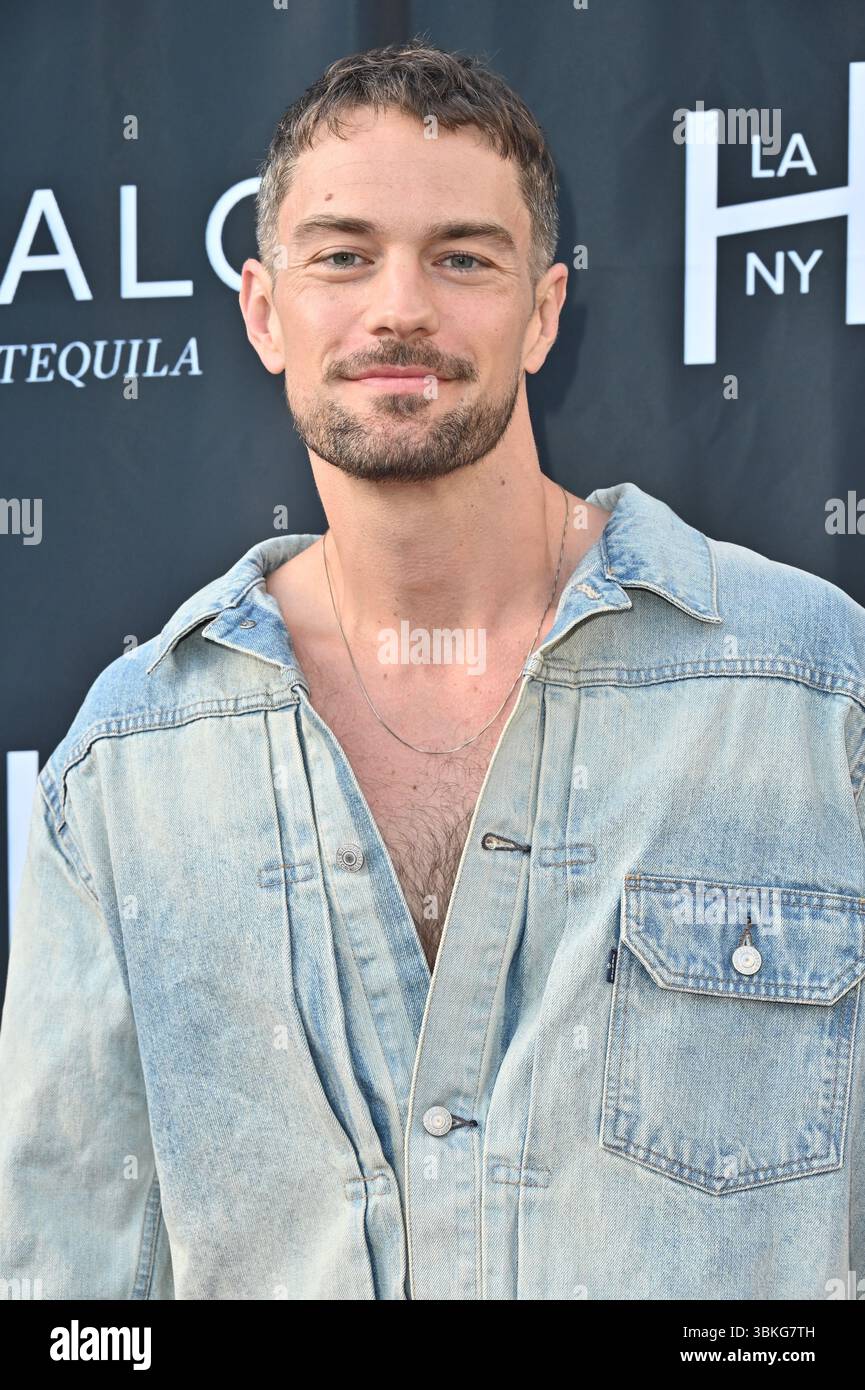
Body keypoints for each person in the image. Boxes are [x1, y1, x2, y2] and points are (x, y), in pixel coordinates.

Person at [2, 38, 864, 1302]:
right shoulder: (129, 770)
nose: (398, 307)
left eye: (462, 257)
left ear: (545, 313)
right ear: (261, 309)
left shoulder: (812, 697)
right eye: (343, 254)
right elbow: (71, 1306)